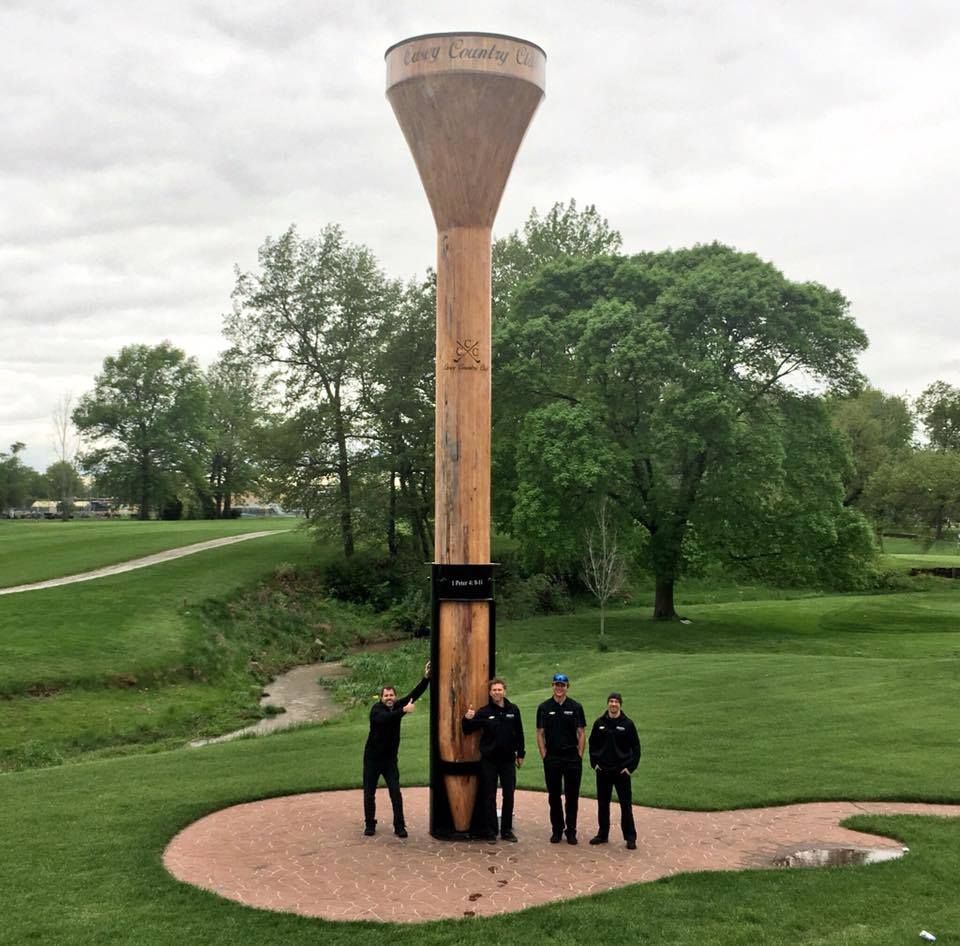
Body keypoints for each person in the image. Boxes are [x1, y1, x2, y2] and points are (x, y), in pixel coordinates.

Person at [362, 660, 431, 837]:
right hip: (372, 759)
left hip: (389, 760)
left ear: (395, 696)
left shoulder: (397, 706)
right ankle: (369, 824)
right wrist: (404, 711)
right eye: (386, 696)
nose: (389, 698)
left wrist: (426, 678)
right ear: (381, 697)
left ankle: (399, 826)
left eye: (391, 695)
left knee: (395, 792)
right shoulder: (376, 710)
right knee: (369, 793)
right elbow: (385, 719)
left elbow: (414, 695)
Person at [462, 677, 525, 842]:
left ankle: (506, 831)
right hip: (489, 760)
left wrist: (521, 754)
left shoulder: (513, 710)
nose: (497, 692)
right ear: (490, 693)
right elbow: (468, 729)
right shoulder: (484, 712)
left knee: (509, 795)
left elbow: (519, 733)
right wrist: (467, 718)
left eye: (499, 689)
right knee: (489, 796)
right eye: (494, 690)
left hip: (508, 760)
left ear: (504, 691)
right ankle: (491, 831)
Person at [535, 672, 586, 844]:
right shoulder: (544, 707)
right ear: (552, 686)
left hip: (572, 758)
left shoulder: (576, 707)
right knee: (554, 796)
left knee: (572, 796)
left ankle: (571, 831)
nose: (559, 688)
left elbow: (581, 732)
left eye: (562, 685)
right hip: (553, 757)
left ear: (567, 687)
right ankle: (557, 829)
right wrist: (544, 755)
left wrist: (579, 755)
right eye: (557, 684)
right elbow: (540, 733)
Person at [588, 692, 641, 850]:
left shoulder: (628, 724)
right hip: (603, 770)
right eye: (611, 701)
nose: (613, 704)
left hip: (621, 772)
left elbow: (636, 748)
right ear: (607, 704)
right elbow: (592, 744)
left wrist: (630, 768)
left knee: (626, 805)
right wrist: (595, 764)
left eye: (616, 701)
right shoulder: (599, 723)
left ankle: (630, 837)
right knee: (603, 804)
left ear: (620, 704)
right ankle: (603, 834)